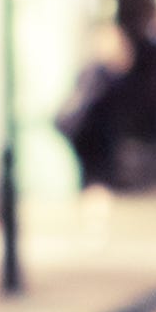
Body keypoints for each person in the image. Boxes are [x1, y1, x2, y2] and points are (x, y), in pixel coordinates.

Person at [56, 20, 131, 241]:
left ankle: (94, 226)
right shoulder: (108, 72)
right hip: (97, 134)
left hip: (91, 134)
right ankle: (96, 227)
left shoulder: (97, 71)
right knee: (98, 180)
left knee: (94, 180)